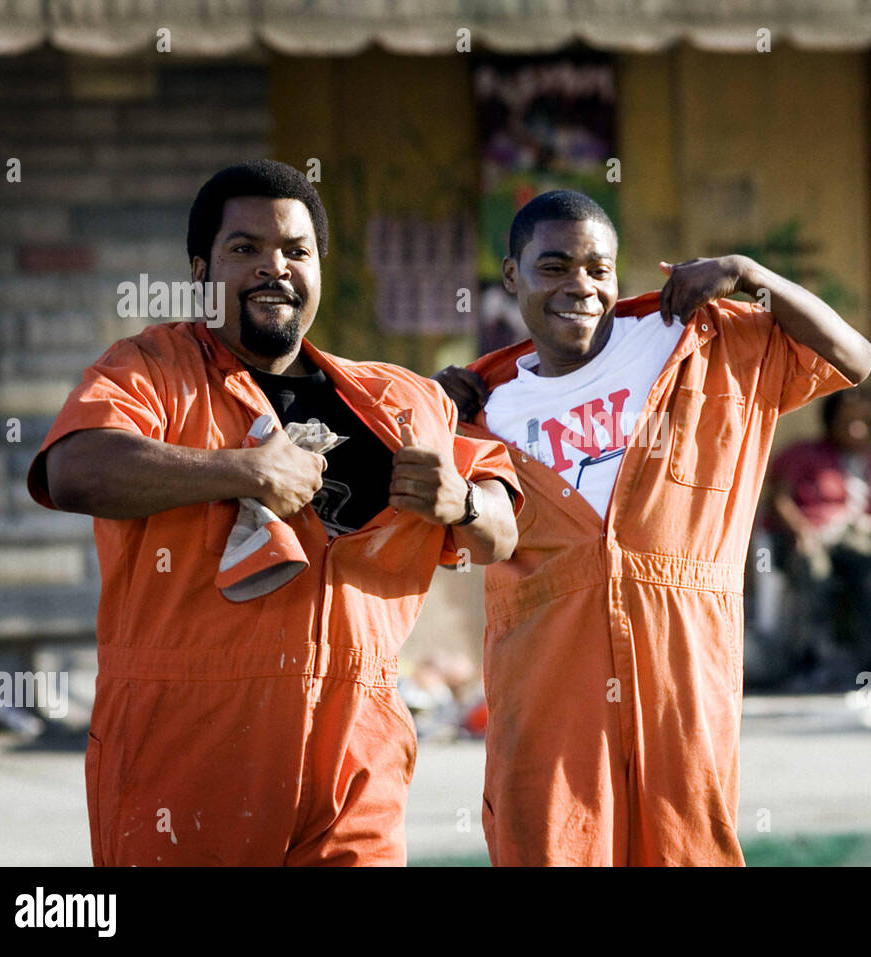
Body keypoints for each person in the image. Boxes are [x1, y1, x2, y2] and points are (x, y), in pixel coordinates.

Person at [27, 160, 521, 866]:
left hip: (357, 761)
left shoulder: (398, 401)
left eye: (295, 250)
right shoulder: (152, 370)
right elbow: (73, 469)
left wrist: (464, 501)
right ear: (200, 271)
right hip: (184, 757)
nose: (274, 268)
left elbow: (503, 529)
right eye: (244, 249)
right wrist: (242, 471)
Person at [435, 189, 871, 865]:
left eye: (597, 268)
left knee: (686, 848)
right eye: (554, 267)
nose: (578, 286)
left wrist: (749, 274)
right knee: (550, 847)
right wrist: (437, 408)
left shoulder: (700, 344)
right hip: (546, 684)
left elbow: (854, 356)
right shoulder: (484, 407)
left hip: (683, 674)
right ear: (512, 276)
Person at [759, 390, 871, 689]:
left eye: (862, 423)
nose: (856, 429)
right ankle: (811, 660)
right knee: (814, 570)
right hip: (808, 537)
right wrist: (801, 531)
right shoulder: (803, 454)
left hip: (854, 543)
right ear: (829, 423)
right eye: (848, 421)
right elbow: (779, 501)